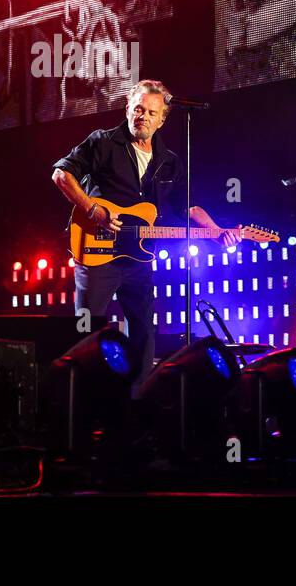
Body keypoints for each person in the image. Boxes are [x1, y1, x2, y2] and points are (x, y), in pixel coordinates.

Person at [51, 79, 241, 385]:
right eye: (138, 109)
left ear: (163, 118)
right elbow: (61, 174)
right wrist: (92, 210)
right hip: (98, 252)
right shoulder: (102, 142)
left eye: (152, 113)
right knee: (85, 333)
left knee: (144, 334)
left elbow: (188, 206)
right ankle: (76, 402)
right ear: (128, 107)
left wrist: (217, 231)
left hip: (138, 260)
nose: (144, 117)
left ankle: (135, 404)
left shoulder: (169, 162)